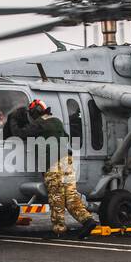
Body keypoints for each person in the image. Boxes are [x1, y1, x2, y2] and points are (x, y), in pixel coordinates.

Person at [20, 99, 99, 237]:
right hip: (66, 161)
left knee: (56, 196)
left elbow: (21, 133)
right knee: (71, 195)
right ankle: (87, 220)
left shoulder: (39, 123)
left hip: (53, 164)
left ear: (35, 112)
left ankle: (59, 230)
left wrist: (15, 119)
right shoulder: (56, 121)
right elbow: (66, 137)